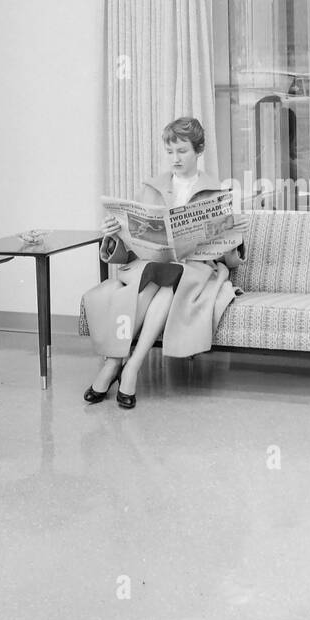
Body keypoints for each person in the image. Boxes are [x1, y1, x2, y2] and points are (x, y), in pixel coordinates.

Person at [82, 117, 248, 409]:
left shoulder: (216, 192)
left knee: (166, 283)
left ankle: (123, 365)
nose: (175, 158)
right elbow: (130, 247)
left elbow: (230, 258)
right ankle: (122, 364)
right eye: (170, 152)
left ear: (198, 150)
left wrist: (231, 234)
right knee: (158, 284)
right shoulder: (151, 188)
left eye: (182, 151)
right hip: (151, 265)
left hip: (193, 269)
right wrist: (114, 233)